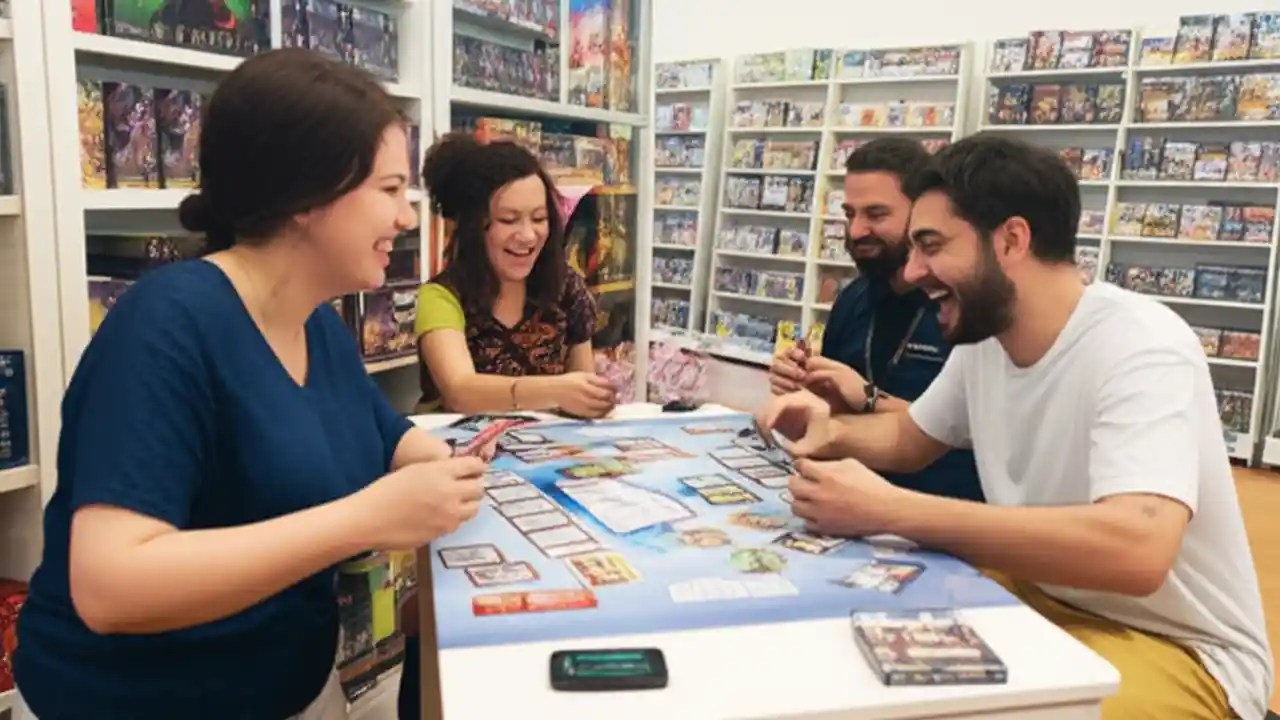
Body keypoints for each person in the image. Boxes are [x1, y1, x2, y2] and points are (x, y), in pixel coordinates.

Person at [14, 49, 488, 720]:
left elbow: (386, 440)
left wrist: (462, 465)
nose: (407, 218)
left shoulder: (316, 323)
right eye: (388, 190)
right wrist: (366, 519)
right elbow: (110, 587)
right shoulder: (167, 326)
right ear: (308, 197)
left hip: (293, 687)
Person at [760, 133, 1273, 719]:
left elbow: (1138, 549)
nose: (914, 268)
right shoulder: (984, 338)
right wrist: (831, 432)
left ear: (1011, 240)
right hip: (1035, 593)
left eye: (931, 246)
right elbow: (910, 438)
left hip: (1177, 645)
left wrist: (889, 509)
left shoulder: (1142, 345)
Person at [768, 138, 982, 502]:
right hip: (848, 499)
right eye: (850, 214)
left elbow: (970, 432)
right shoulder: (853, 299)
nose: (856, 231)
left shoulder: (963, 308)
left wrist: (868, 397)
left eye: (876, 214)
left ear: (921, 213)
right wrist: (805, 387)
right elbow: (837, 412)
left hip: (942, 510)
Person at [412, 132, 617, 419]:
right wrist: (557, 390)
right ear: (472, 225)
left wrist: (593, 398)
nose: (528, 235)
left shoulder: (566, 287)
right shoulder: (442, 297)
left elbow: (583, 389)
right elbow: (460, 391)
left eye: (539, 218)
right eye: (508, 220)